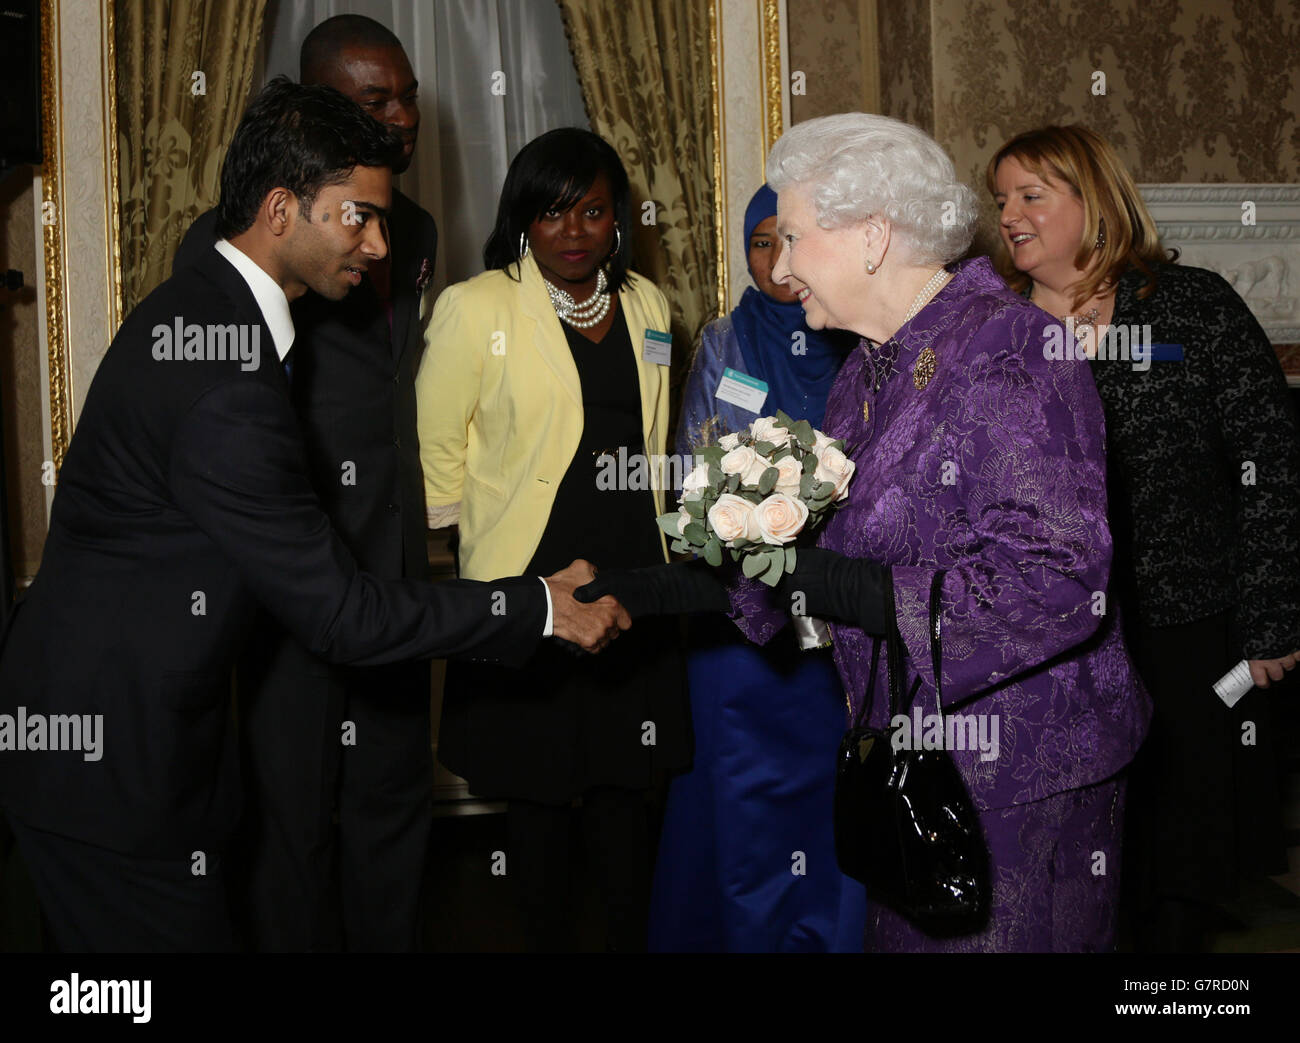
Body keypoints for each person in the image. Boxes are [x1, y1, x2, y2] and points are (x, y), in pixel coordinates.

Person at [0, 79, 627, 954]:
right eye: (357, 217)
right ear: (281, 207)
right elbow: (342, 611)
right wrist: (538, 605)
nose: (378, 243)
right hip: (112, 774)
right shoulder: (225, 378)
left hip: (137, 746)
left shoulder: (210, 312)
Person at [580, 112, 1152, 952]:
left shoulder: (1010, 348)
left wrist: (843, 585)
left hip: (1017, 780)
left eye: (796, 237)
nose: (779, 265)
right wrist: (641, 589)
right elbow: (804, 559)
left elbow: (1059, 579)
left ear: (874, 238)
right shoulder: (869, 368)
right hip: (911, 764)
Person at [988, 124, 1300, 951]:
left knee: (1185, 852)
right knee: (1083, 852)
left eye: (1030, 195)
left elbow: (1270, 458)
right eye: (1002, 199)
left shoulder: (1190, 305)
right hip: (1056, 641)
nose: (1009, 214)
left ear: (1093, 201)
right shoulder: (998, 331)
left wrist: (1273, 617)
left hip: (1192, 627)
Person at [174, 14, 438, 954]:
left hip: (394, 568)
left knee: (395, 805)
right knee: (293, 817)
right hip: (293, 578)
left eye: (406, 94)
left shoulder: (416, 229)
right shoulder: (236, 240)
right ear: (317, 105)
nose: (404, 115)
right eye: (376, 100)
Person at [415, 128, 688, 952]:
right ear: (523, 220)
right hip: (531, 583)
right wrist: (473, 554)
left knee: (624, 790)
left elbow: (653, 436)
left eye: (593, 211)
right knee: (536, 798)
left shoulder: (648, 304)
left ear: (618, 221)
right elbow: (437, 446)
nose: (573, 230)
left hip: (634, 573)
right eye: (552, 211)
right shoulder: (477, 306)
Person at [648, 184, 862, 952]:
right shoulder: (723, 343)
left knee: (832, 797)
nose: (775, 260)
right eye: (760, 242)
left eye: (790, 240)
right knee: (742, 800)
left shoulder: (865, 335)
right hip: (743, 623)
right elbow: (696, 473)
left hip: (847, 623)